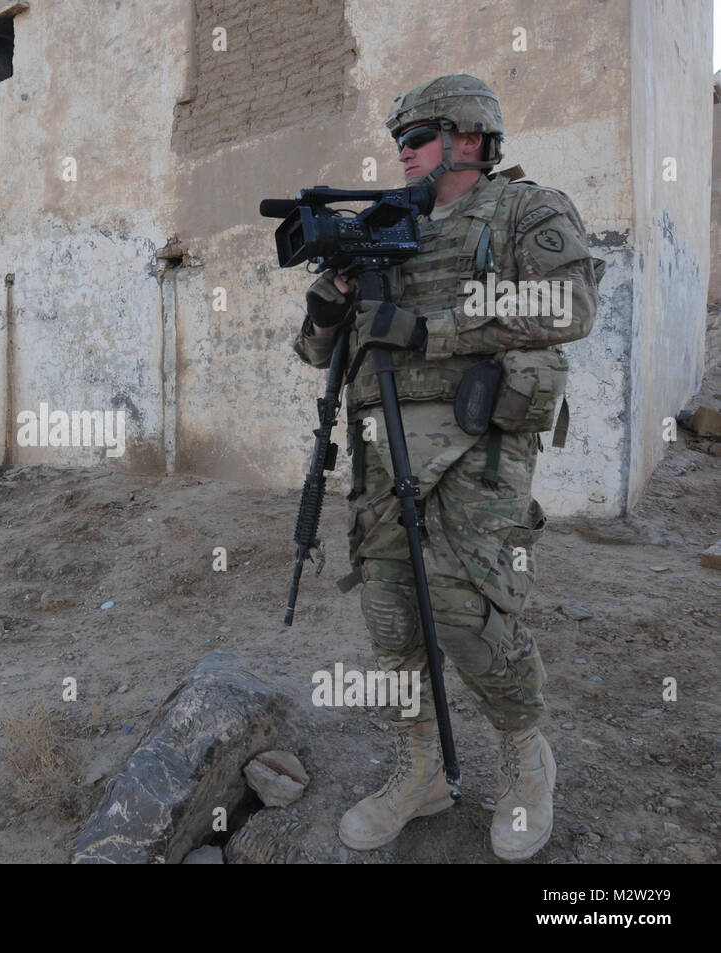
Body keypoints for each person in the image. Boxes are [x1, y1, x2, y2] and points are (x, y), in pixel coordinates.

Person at [291, 74, 601, 861]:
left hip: (479, 444)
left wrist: (433, 329)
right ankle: (419, 769)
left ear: (469, 137)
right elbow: (315, 349)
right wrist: (332, 297)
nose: (403, 150)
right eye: (398, 138)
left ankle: (527, 759)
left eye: (419, 135)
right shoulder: (391, 226)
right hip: (383, 444)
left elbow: (570, 307)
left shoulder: (525, 209)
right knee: (392, 616)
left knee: (469, 615)